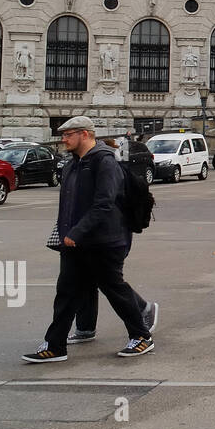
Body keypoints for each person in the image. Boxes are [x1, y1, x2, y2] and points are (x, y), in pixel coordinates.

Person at [22, 117, 154, 362]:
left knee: (115, 290)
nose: (63, 139)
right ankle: (55, 345)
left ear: (84, 134)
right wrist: (64, 234)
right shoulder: (73, 164)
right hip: (74, 242)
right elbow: (67, 205)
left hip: (105, 241)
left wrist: (76, 232)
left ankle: (142, 336)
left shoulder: (104, 162)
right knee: (66, 293)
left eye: (67, 134)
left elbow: (104, 204)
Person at [65, 136, 157, 346]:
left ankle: (142, 319)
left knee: (109, 281)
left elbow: (105, 205)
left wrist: (79, 231)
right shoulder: (84, 165)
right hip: (93, 234)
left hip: (111, 235)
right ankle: (85, 328)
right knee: (88, 281)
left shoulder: (108, 167)